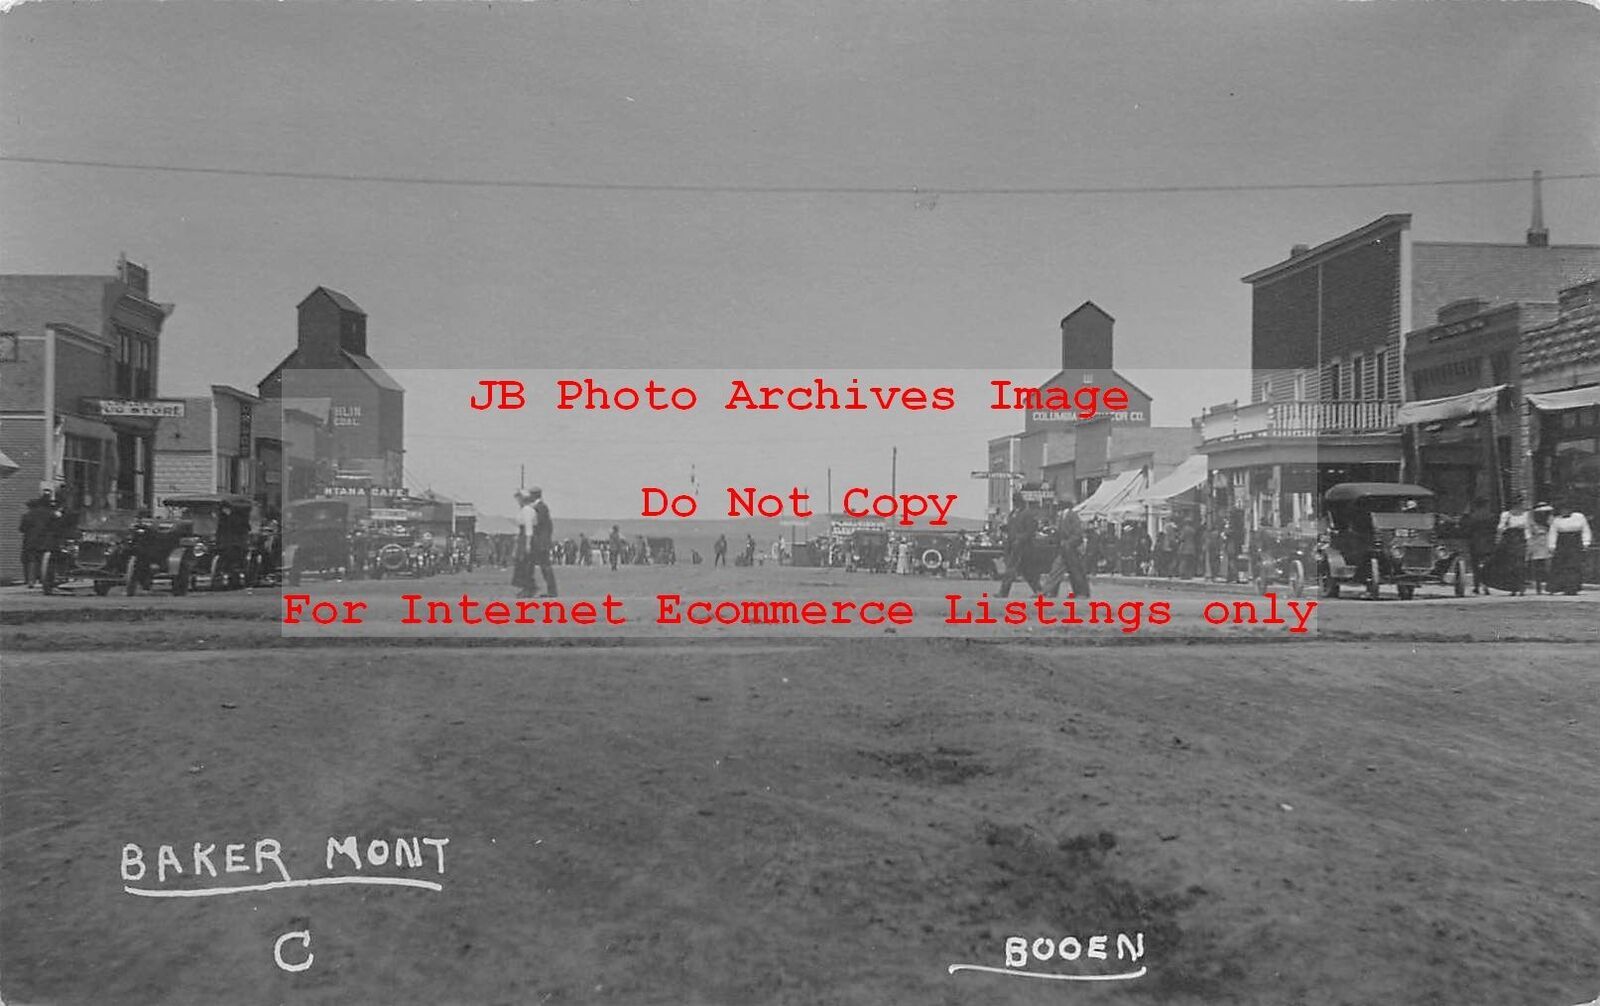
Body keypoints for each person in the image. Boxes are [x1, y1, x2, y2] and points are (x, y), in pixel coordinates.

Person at [997, 494, 1043, 597]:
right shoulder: (1013, 514)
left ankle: (1038, 590)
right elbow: (1011, 528)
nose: (1015, 502)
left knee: (1024, 571)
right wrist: (1005, 529)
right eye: (1014, 500)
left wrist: (1020, 538)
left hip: (1024, 547)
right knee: (1016, 569)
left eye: (1017, 501)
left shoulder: (1027, 514)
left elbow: (1031, 530)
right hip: (1013, 546)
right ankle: (1004, 591)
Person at [1043, 500, 1091, 598]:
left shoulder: (1072, 516)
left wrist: (1068, 543)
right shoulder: (1061, 517)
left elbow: (1078, 534)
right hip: (1064, 549)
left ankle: (1082, 593)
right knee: (1056, 569)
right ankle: (1047, 591)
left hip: (1072, 549)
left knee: (1076, 571)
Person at [517, 487, 557, 597]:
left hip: (540, 542)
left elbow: (539, 526)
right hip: (540, 541)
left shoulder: (540, 508)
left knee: (543, 566)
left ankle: (548, 590)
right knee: (536, 566)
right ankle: (534, 588)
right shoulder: (539, 507)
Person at [1546, 500, 1593, 595]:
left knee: (1574, 566)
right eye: (1562, 510)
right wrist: (1552, 546)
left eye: (1566, 509)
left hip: (1575, 543)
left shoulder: (1579, 517)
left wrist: (1586, 542)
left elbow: (1585, 530)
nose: (1564, 511)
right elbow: (1553, 533)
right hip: (1562, 543)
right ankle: (1558, 588)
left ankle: (1572, 588)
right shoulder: (1556, 520)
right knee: (1560, 566)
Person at [1494, 494, 1530, 596]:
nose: (1519, 506)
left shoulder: (1526, 515)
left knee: (1520, 564)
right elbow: (1500, 528)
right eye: (1517, 504)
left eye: (1520, 503)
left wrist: (1528, 540)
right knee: (1510, 564)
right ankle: (1513, 587)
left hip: (1521, 540)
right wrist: (1505, 528)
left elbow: (1527, 528)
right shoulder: (1506, 515)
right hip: (1509, 540)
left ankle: (1521, 587)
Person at [1463, 497, 1498, 595]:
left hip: (1475, 542)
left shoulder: (1472, 517)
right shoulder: (1491, 516)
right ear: (1485, 505)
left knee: (1475, 566)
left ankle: (1477, 586)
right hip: (1488, 543)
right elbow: (1494, 529)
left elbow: (1466, 529)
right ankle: (1486, 585)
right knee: (1487, 565)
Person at [1527, 503, 1554, 594]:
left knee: (1548, 566)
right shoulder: (1531, 520)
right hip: (1536, 544)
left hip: (1547, 542)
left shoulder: (1550, 519)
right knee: (1537, 567)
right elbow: (1530, 531)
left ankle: (1550, 587)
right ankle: (1538, 588)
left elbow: (1553, 529)